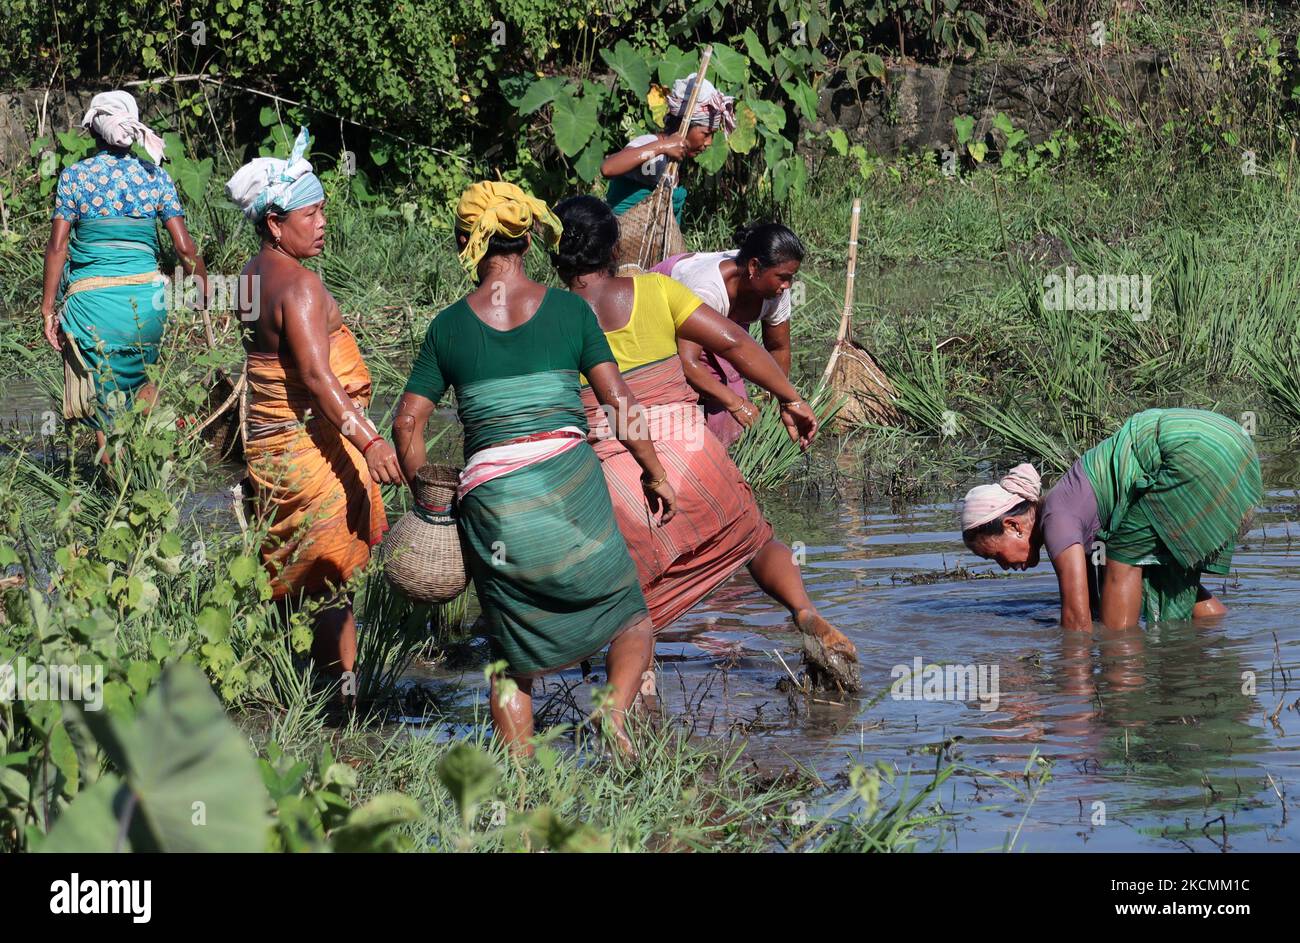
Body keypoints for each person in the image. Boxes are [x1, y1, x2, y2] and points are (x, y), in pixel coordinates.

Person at [392, 181, 677, 755]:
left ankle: (521, 779)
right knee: (631, 622)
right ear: (528, 239)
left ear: (465, 242)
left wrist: (431, 501)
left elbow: (405, 425)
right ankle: (613, 717)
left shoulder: (448, 327)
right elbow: (620, 404)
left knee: (507, 653)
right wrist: (654, 472)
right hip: (569, 483)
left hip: (491, 500)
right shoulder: (569, 310)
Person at [551, 195, 859, 688]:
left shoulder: (547, 316)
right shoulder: (656, 290)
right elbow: (737, 344)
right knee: (756, 541)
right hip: (694, 454)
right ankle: (804, 615)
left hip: (619, 471)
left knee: (634, 596)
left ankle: (638, 698)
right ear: (614, 248)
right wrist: (791, 398)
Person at [226, 128, 404, 684]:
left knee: (289, 560)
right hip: (309, 447)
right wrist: (369, 441)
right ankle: (340, 696)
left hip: (269, 440)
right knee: (330, 572)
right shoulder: (299, 286)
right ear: (275, 223)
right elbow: (315, 376)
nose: (323, 223)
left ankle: (292, 677)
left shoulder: (250, 277)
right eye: (311, 214)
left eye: (323, 210)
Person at [960, 408, 1262, 629]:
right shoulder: (1072, 510)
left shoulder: (1056, 520)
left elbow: (1077, 621)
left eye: (995, 556)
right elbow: (1091, 607)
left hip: (1189, 452)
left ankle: (1123, 684)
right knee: (1166, 581)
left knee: (1124, 561)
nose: (1005, 567)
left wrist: (1069, 689)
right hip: (1232, 441)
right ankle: (1223, 640)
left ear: (1013, 526)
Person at [39, 90, 206, 453]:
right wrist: (204, 293)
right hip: (147, 303)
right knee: (146, 380)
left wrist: (48, 308)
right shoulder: (154, 177)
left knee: (105, 397)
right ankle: (148, 474)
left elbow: (57, 247)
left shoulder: (74, 177)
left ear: (95, 132)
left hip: (92, 307)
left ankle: (114, 479)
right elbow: (184, 248)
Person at [653, 224, 802, 447]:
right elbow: (687, 361)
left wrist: (783, 401)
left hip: (726, 304)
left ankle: (716, 448)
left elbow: (778, 348)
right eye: (782, 277)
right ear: (754, 267)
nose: (788, 286)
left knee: (729, 383)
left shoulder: (775, 291)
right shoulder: (707, 289)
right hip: (664, 302)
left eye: (791, 277)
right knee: (707, 387)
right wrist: (735, 403)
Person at [600, 72, 735, 225]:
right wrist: (663, 146)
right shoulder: (652, 145)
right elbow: (608, 168)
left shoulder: (674, 159)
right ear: (684, 126)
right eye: (706, 134)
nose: (709, 142)